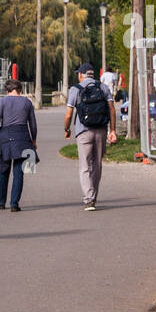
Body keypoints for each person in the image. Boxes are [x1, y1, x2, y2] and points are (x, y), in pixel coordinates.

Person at [64, 62, 118, 210]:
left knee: (85, 166)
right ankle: (93, 195)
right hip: (101, 130)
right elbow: (112, 110)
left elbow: (69, 114)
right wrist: (112, 130)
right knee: (97, 165)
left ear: (80, 75)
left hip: (83, 131)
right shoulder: (103, 87)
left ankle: (89, 199)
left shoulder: (75, 89)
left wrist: (66, 128)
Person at [0, 78, 38, 211]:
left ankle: (0, 201)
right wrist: (33, 140)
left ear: (7, 90)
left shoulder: (3, 101)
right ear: (20, 90)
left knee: (4, 170)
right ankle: (14, 204)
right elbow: (33, 125)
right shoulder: (27, 103)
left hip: (5, 137)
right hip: (22, 138)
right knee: (19, 172)